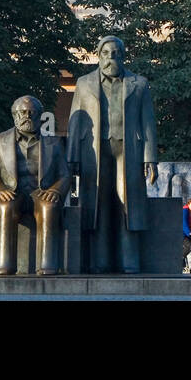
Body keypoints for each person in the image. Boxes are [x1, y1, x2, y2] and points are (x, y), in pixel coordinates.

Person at [67, 36, 158, 274]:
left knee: (128, 204)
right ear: (99, 56)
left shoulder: (138, 83)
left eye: (116, 53)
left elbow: (148, 122)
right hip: (93, 151)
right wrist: (72, 157)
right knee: (99, 205)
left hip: (129, 150)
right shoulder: (84, 83)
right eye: (106, 53)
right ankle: (100, 262)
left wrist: (151, 158)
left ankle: (130, 261)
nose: (111, 58)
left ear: (123, 55)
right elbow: (75, 121)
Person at [0, 95, 71, 276]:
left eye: (32, 112)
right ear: (15, 115)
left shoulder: (53, 143)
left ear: (40, 116)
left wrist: (55, 190)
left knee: (49, 206)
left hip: (41, 192)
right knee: (5, 206)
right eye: (23, 112)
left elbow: (64, 174)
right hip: (12, 193)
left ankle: (48, 265)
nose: (27, 116)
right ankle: (5, 264)